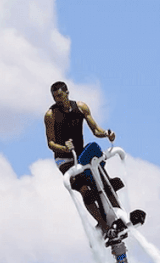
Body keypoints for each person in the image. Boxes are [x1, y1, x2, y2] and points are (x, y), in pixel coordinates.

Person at [45, 82, 122, 237]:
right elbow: (51, 143)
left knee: (104, 181)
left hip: (81, 155)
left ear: (67, 92)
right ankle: (104, 228)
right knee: (85, 191)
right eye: (54, 97)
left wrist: (107, 133)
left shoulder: (81, 107)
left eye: (60, 96)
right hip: (65, 160)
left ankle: (119, 216)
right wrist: (64, 148)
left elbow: (96, 130)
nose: (57, 100)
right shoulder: (50, 115)